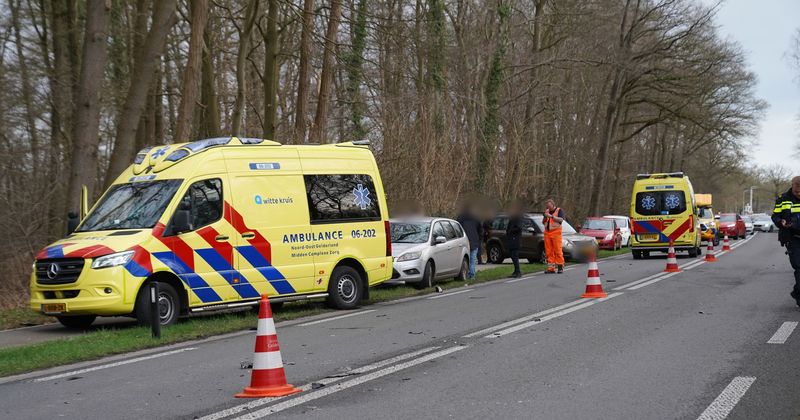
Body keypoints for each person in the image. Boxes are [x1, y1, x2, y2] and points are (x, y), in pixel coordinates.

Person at [772, 176, 800, 306]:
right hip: (793, 239)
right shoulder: (783, 199)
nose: (799, 193)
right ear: (792, 186)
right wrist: (780, 222)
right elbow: (775, 215)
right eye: (796, 190)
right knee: (799, 267)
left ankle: (797, 292)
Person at [457, 204, 483, 281]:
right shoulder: (476, 218)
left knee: (464, 260)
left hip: (463, 242)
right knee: (472, 260)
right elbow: (480, 230)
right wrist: (479, 240)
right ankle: (472, 275)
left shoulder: (460, 218)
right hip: (474, 241)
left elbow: (458, 229)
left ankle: (465, 274)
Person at [543, 198, 566, 274]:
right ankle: (551, 268)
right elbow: (544, 222)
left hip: (556, 233)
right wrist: (545, 216)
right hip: (547, 233)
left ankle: (560, 267)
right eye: (547, 206)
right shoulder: (546, 211)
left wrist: (551, 216)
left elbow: (561, 220)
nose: (548, 208)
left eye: (549, 206)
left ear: (553, 205)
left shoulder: (559, 210)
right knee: (549, 251)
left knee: (558, 250)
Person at [506, 202, 524, 278]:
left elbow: (519, 228)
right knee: (512, 255)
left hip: (515, 239)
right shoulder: (512, 217)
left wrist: (511, 230)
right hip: (511, 239)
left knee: (515, 256)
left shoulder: (518, 217)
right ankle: (516, 271)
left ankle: (518, 272)